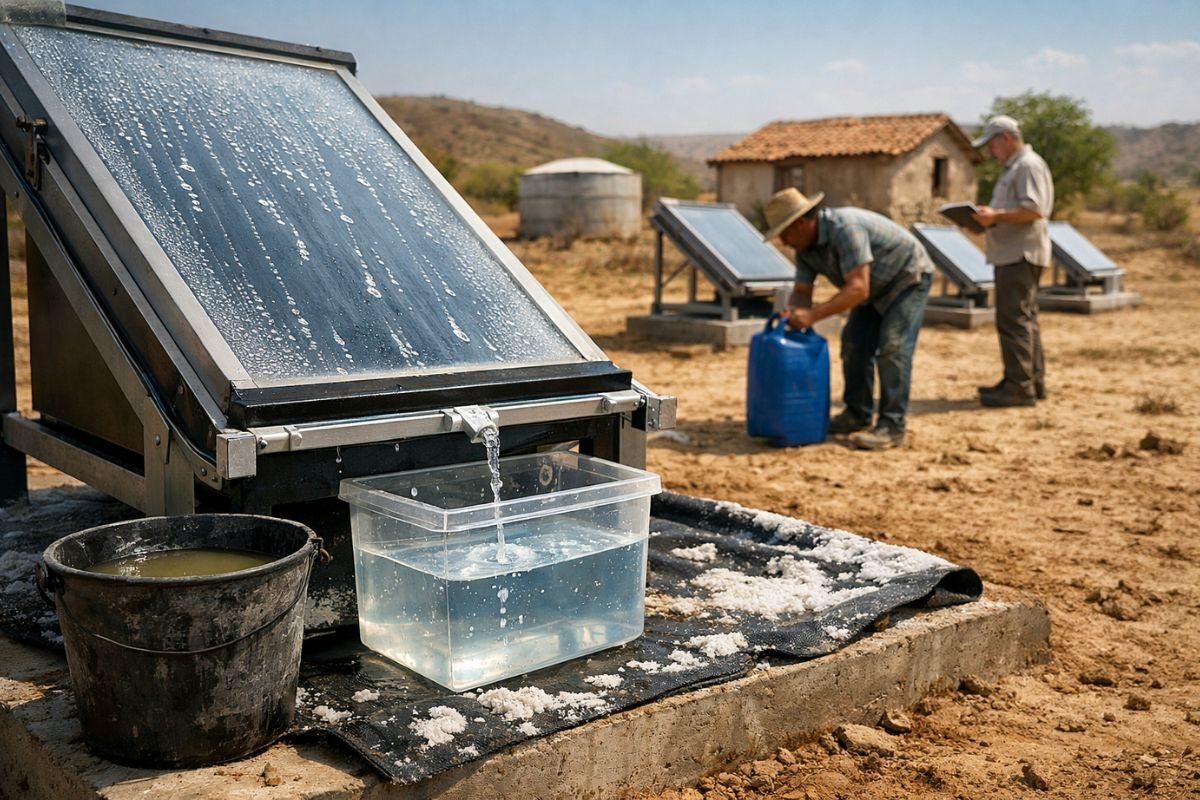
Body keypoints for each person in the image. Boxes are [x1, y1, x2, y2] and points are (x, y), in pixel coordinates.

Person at [763, 187, 933, 451]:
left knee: (893, 347)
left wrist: (813, 315)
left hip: (907, 277)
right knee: (854, 344)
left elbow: (858, 288)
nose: (784, 242)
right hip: (873, 289)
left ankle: (892, 425)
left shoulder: (845, 229)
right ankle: (857, 413)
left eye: (785, 233)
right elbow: (801, 292)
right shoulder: (805, 250)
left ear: (800, 223)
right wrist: (793, 315)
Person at [970, 115, 1055, 407]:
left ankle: (1019, 387)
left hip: (1019, 254)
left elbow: (1034, 209)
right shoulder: (1016, 168)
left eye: (991, 145)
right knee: (1024, 319)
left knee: (1013, 320)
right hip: (1013, 252)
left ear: (1004, 139)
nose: (990, 152)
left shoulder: (1027, 166)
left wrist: (996, 217)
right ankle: (1029, 380)